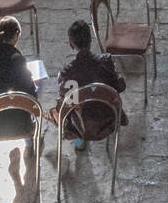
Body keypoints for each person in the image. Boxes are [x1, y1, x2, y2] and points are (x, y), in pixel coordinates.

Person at [53, 20, 127, 150]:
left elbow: (69, 101)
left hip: (80, 125)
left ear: (71, 45)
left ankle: (79, 142)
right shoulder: (106, 62)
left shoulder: (67, 73)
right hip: (108, 118)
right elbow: (120, 87)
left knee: (61, 109)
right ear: (90, 40)